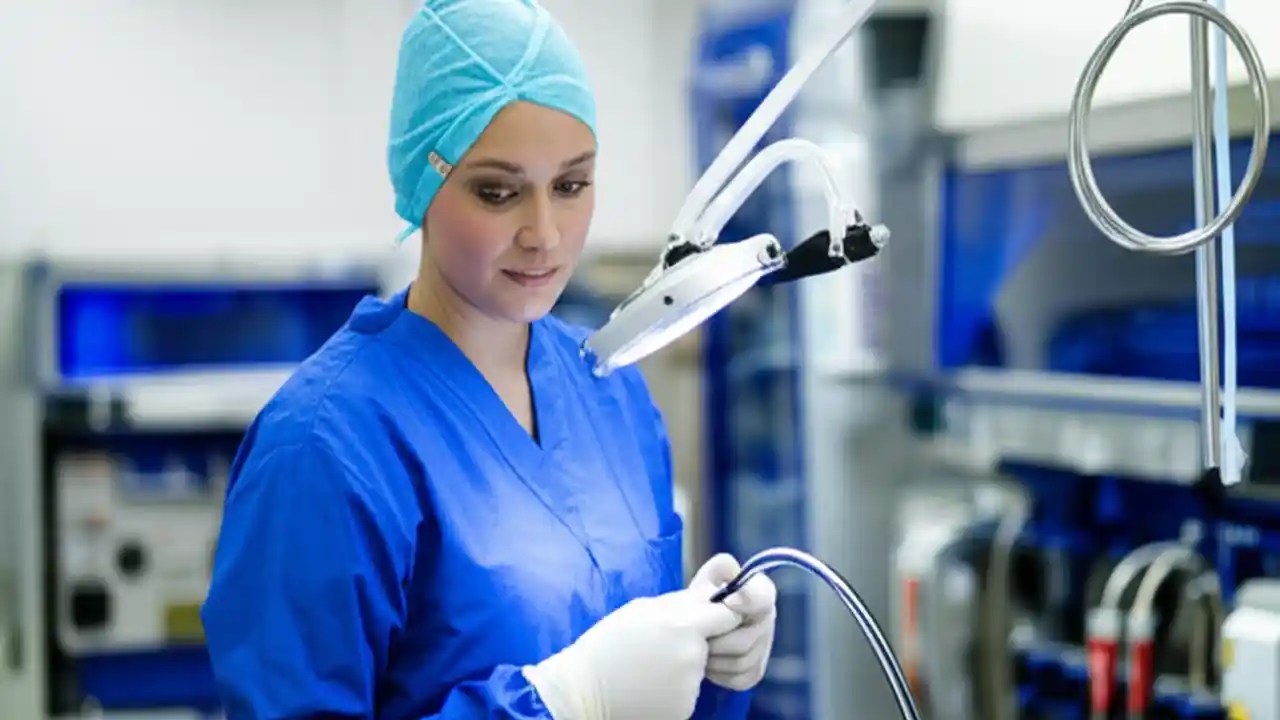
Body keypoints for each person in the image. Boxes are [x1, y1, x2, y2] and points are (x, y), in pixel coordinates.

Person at [199, 1, 778, 718]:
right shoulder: (326, 446)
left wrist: (718, 671)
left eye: (571, 186)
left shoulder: (611, 392)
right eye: (498, 192)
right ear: (423, 180)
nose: (544, 234)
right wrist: (560, 703)